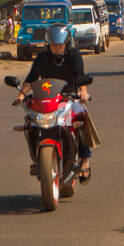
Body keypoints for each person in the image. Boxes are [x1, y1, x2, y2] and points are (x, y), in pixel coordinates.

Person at [17, 23, 93, 181]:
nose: (57, 48)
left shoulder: (74, 55)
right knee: (29, 122)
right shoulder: (42, 57)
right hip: (46, 98)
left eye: (60, 45)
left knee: (81, 118)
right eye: (54, 45)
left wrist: (83, 92)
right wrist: (22, 95)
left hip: (69, 97)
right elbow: (32, 78)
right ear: (48, 44)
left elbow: (80, 76)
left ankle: (85, 160)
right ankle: (36, 155)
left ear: (66, 44)